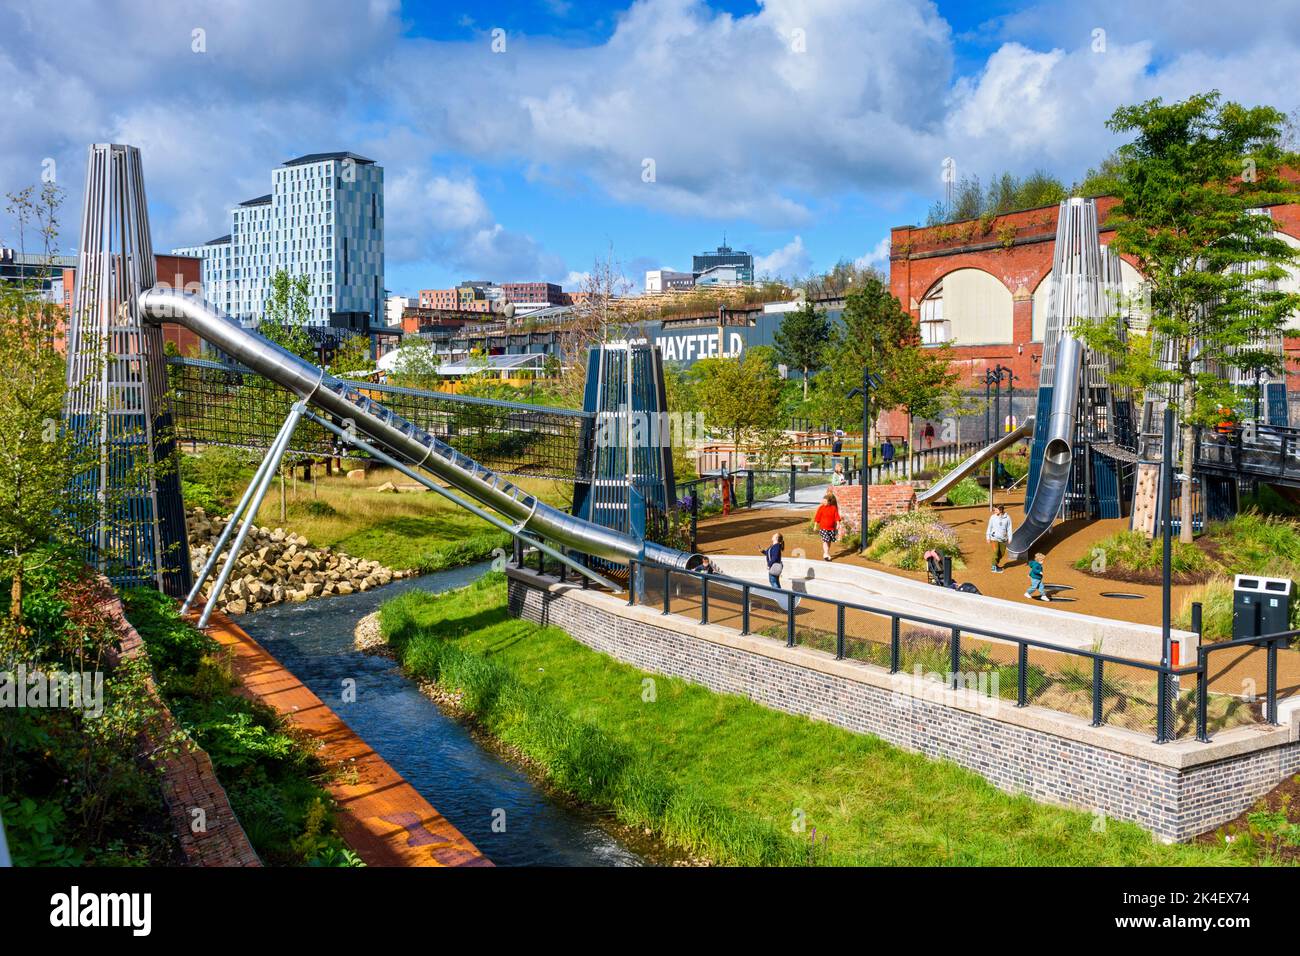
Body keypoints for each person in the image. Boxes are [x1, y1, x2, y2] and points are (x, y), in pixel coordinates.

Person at [813, 492, 841, 561]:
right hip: (823, 528)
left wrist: (838, 524)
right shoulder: (821, 508)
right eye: (823, 500)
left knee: (829, 541)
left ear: (829, 502)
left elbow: (836, 516)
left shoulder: (833, 508)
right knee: (825, 540)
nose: (823, 502)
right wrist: (815, 525)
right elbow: (817, 517)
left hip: (831, 528)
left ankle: (827, 553)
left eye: (825, 501)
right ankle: (826, 553)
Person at [986, 503, 1012, 573]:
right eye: (994, 509)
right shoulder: (992, 517)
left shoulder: (1007, 518)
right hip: (994, 538)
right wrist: (988, 537)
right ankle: (993, 567)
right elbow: (989, 527)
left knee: (1001, 553)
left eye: (996, 510)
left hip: (1003, 538)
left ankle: (995, 564)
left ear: (1001, 510)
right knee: (996, 552)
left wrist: (1010, 537)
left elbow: (1009, 528)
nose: (994, 511)